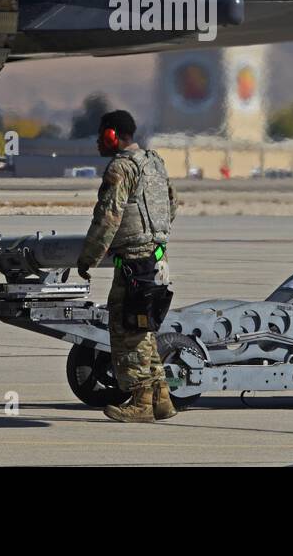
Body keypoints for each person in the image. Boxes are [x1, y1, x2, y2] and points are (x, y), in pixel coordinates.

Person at [76, 110, 178, 423]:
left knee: (126, 330)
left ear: (112, 135)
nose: (97, 142)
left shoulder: (120, 168)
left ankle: (141, 402)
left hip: (134, 264)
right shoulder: (153, 162)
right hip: (157, 259)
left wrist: (87, 259)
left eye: (100, 135)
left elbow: (108, 218)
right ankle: (161, 397)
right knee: (144, 329)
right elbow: (171, 205)